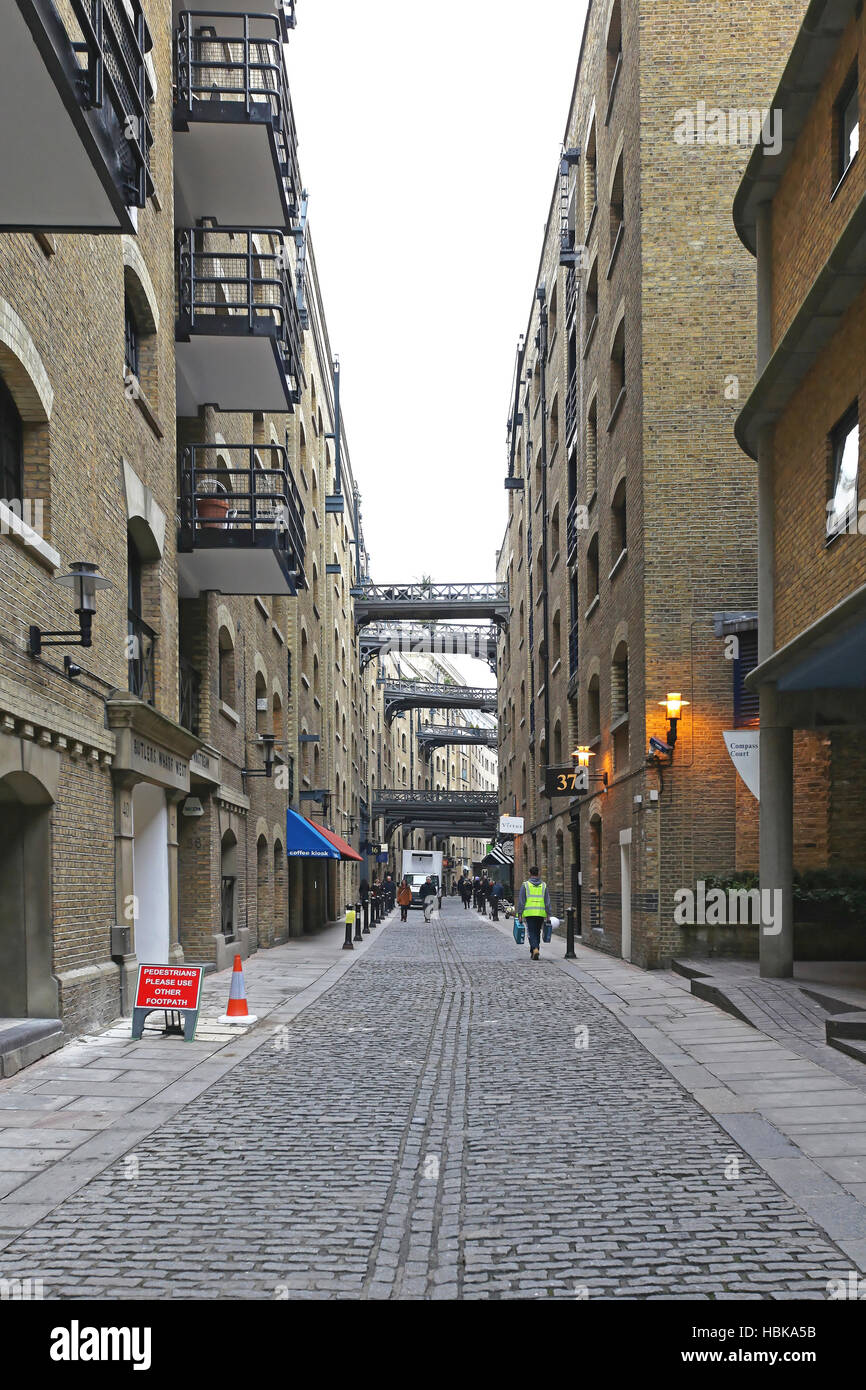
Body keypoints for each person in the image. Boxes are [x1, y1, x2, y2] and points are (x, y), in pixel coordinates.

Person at [516, 866, 552, 961]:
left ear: (529, 873)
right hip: (540, 913)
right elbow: (547, 902)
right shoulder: (544, 885)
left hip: (529, 913)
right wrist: (548, 914)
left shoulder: (525, 885)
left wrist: (519, 914)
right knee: (537, 932)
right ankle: (534, 952)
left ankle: (535, 948)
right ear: (538, 873)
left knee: (531, 932)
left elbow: (521, 901)